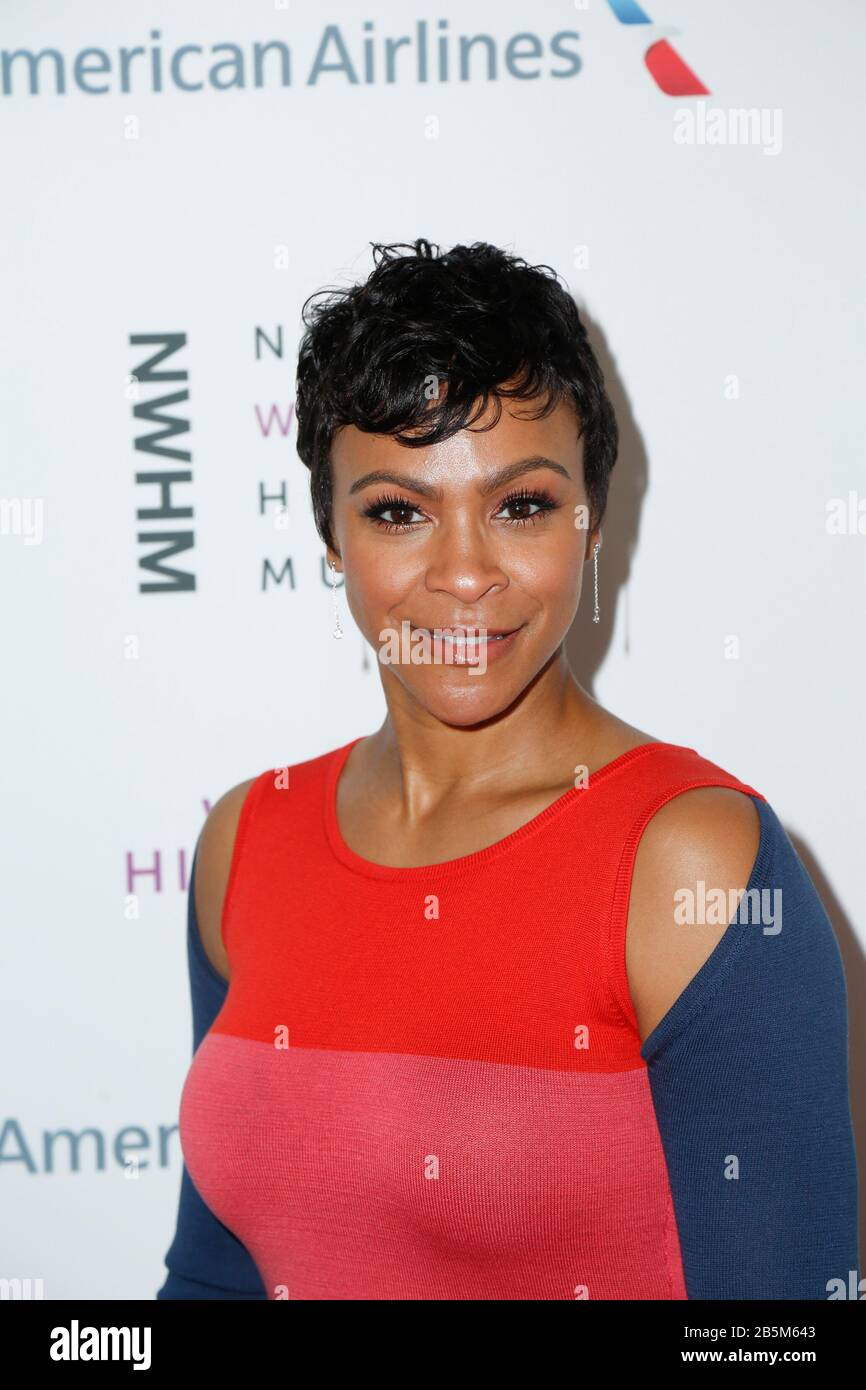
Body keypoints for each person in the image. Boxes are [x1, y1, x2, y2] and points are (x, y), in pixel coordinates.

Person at [157, 239, 858, 1300]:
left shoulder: (687, 861)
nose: (464, 573)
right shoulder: (245, 839)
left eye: (519, 505)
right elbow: (211, 1281)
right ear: (330, 536)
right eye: (397, 510)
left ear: (589, 519)